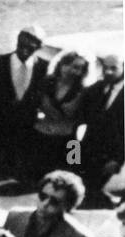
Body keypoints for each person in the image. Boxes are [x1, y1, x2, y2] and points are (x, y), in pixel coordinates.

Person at [0, 27, 49, 178]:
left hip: (26, 136)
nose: (24, 50)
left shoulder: (45, 69)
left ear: (39, 47)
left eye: (31, 46)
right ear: (17, 40)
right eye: (22, 44)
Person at [30, 50, 91, 181]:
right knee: (37, 173)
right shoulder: (47, 82)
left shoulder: (83, 90)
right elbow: (38, 104)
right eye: (74, 67)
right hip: (42, 135)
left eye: (81, 69)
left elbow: (77, 115)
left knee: (67, 174)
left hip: (68, 139)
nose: (77, 72)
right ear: (63, 65)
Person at [80, 53, 124, 207]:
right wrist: (73, 157)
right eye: (105, 68)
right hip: (88, 153)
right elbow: (79, 122)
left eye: (114, 68)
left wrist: (117, 160)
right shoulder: (95, 89)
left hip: (112, 156)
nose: (108, 72)